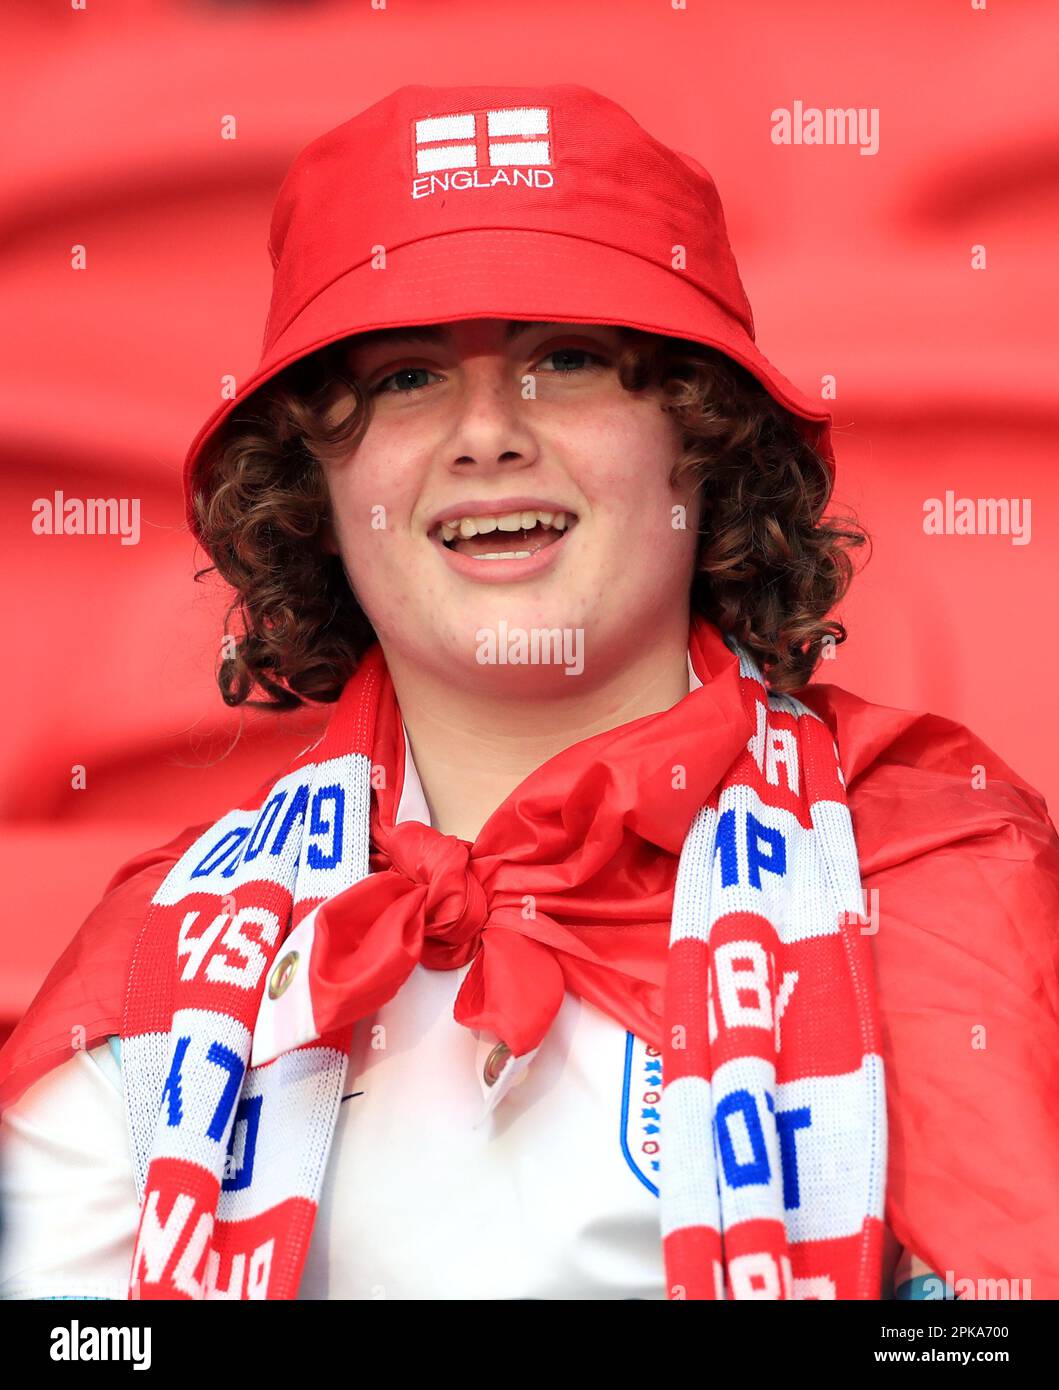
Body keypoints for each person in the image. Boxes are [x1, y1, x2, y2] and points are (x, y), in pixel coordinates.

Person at [1, 83, 1057, 1303]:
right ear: (316, 493)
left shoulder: (930, 872)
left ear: (700, 441)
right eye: (404, 377)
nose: (488, 432)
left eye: (568, 360)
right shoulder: (162, 958)